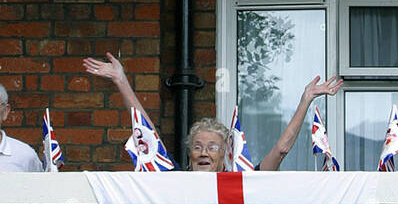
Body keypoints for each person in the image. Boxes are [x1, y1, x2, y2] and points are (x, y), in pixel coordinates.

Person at [82, 53, 343, 171]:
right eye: (197, 146)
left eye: (212, 147)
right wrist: (121, 80)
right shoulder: (175, 180)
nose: (204, 152)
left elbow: (282, 150)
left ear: (227, 153)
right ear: (189, 152)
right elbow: (146, 135)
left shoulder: (243, 182)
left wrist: (305, 100)